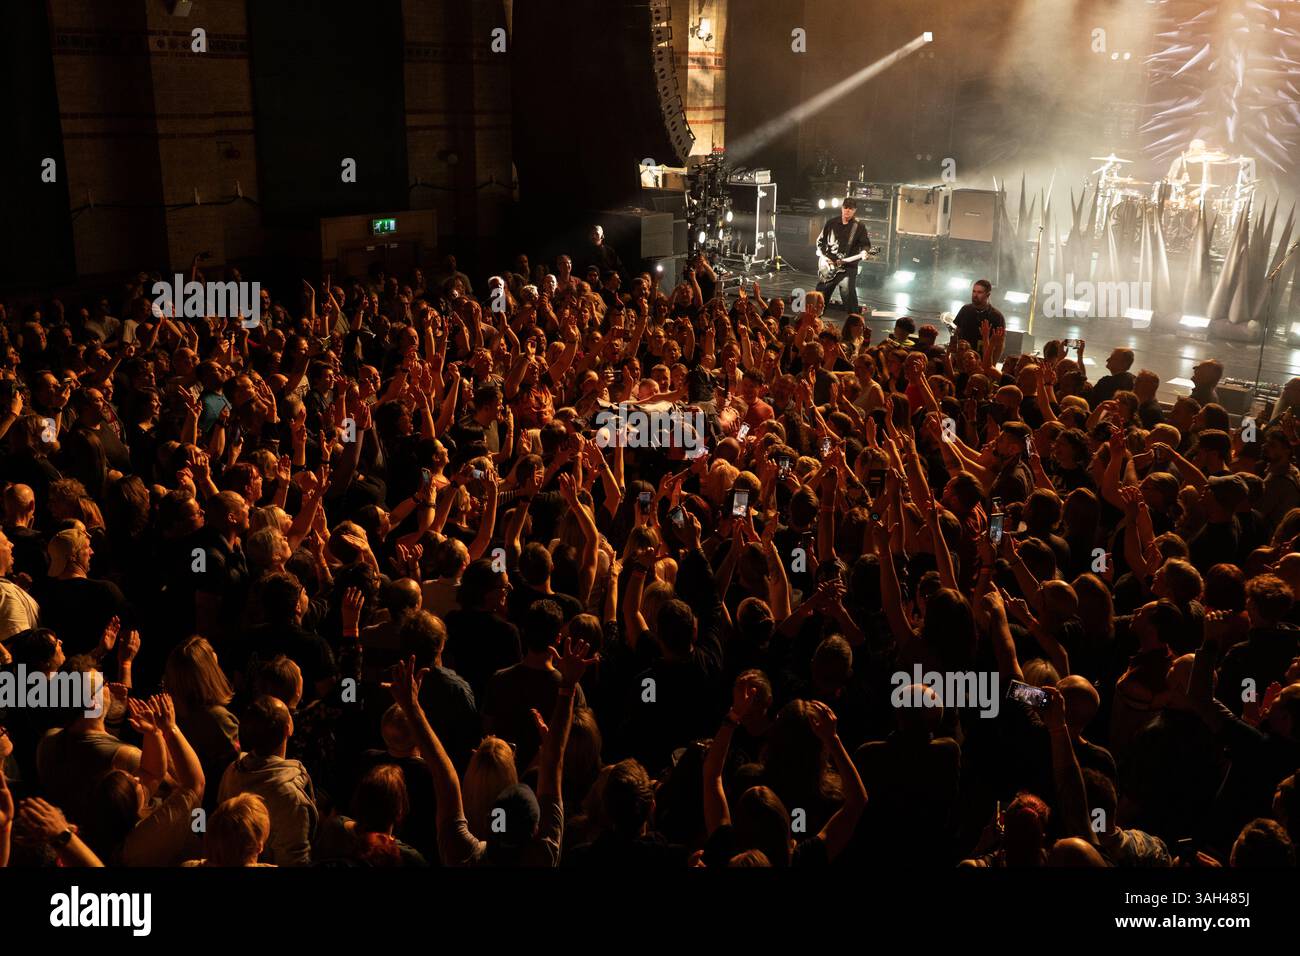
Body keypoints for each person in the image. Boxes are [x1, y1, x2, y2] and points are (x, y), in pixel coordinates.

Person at [814, 198, 871, 313]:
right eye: (846, 208)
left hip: (848, 268)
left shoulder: (859, 227)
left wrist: (864, 252)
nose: (847, 211)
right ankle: (814, 321)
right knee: (819, 298)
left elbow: (865, 244)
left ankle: (854, 323)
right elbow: (820, 242)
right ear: (842, 208)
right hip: (828, 266)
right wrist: (825, 258)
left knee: (849, 296)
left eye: (851, 209)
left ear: (854, 210)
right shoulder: (831, 223)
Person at [952, 280, 1005, 349]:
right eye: (974, 291)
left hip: (982, 357)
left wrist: (991, 360)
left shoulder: (996, 317)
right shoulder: (965, 310)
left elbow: (1000, 344)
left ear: (988, 295)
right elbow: (957, 333)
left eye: (979, 292)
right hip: (962, 356)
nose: (975, 295)